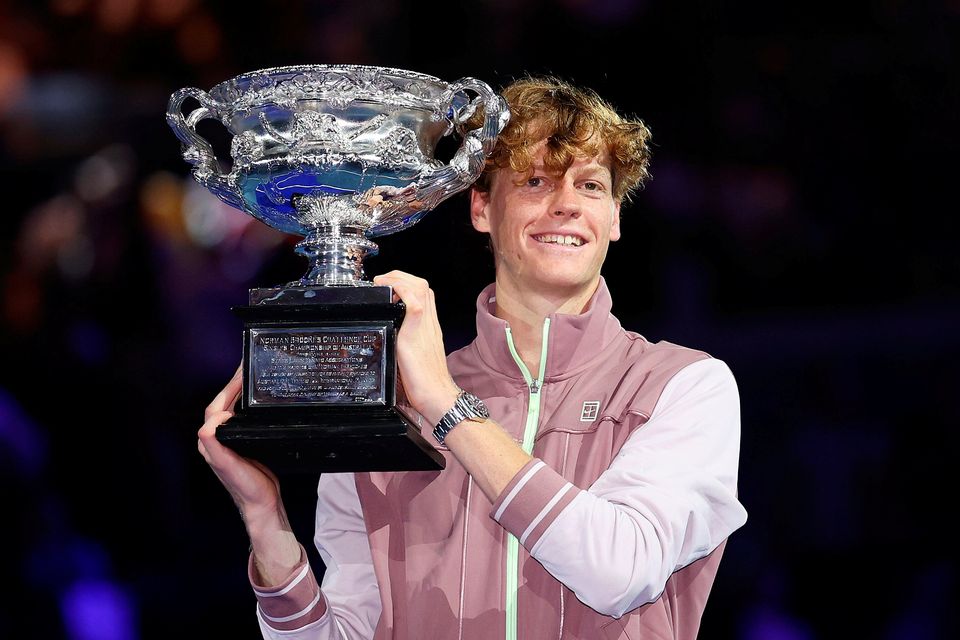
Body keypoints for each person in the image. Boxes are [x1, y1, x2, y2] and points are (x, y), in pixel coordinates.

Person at [198, 77, 748, 640]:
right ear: (482, 207)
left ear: (614, 218)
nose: (566, 206)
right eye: (536, 182)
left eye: (590, 186)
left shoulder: (681, 386)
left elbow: (619, 571)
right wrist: (265, 520)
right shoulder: (393, 407)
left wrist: (446, 405)